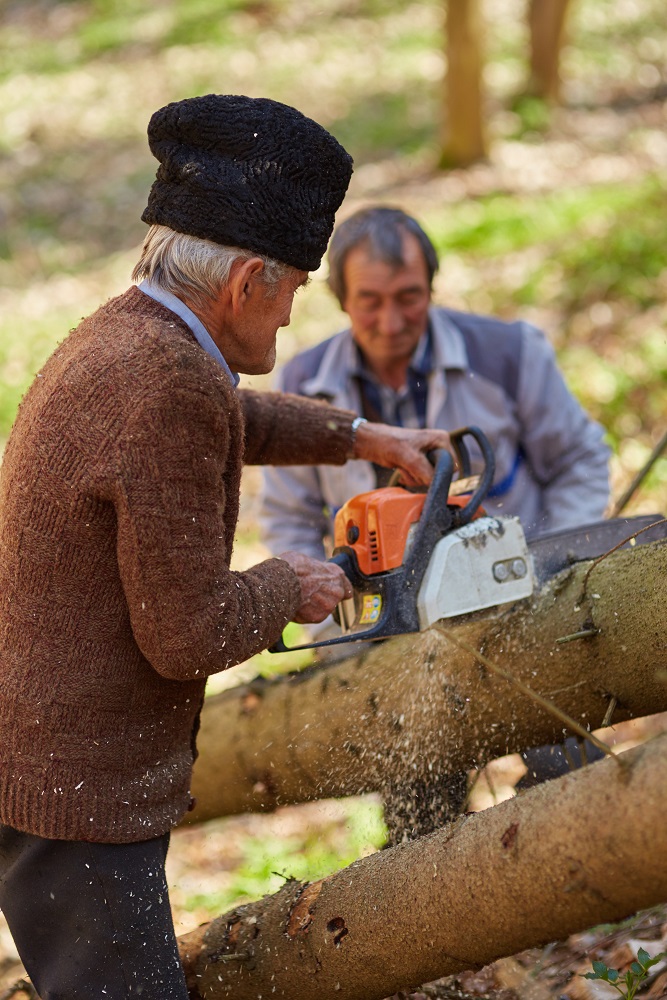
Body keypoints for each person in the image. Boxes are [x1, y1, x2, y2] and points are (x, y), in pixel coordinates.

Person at [0, 97, 455, 1000]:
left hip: (53, 759)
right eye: (291, 290)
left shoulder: (132, 337)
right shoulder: (163, 383)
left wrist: (362, 436)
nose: (289, 319)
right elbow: (188, 633)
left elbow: (227, 416)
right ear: (248, 279)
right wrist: (288, 584)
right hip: (79, 792)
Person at [260, 205, 611, 571]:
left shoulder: (511, 354)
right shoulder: (302, 385)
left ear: (431, 287)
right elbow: (289, 520)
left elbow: (580, 460)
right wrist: (338, 622)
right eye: (370, 302)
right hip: (384, 619)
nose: (391, 323)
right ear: (342, 300)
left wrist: (553, 570)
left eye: (408, 297)